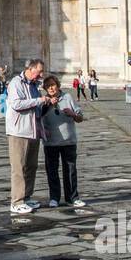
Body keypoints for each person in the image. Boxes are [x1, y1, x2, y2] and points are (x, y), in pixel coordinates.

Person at [5, 58, 49, 215]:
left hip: (33, 130)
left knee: (31, 166)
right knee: (19, 167)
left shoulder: (33, 86)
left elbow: (36, 107)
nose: (41, 75)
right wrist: (38, 100)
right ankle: (16, 201)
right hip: (18, 131)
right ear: (30, 69)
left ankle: (27, 196)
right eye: (39, 71)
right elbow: (16, 104)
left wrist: (46, 103)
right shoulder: (16, 83)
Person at [39, 75, 84, 208]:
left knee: (70, 170)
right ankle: (54, 198)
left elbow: (80, 117)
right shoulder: (43, 101)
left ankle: (72, 198)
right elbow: (38, 118)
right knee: (52, 170)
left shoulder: (68, 97)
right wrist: (48, 105)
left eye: (53, 85)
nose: (51, 88)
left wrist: (73, 114)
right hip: (50, 142)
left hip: (68, 140)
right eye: (48, 86)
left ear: (58, 85)